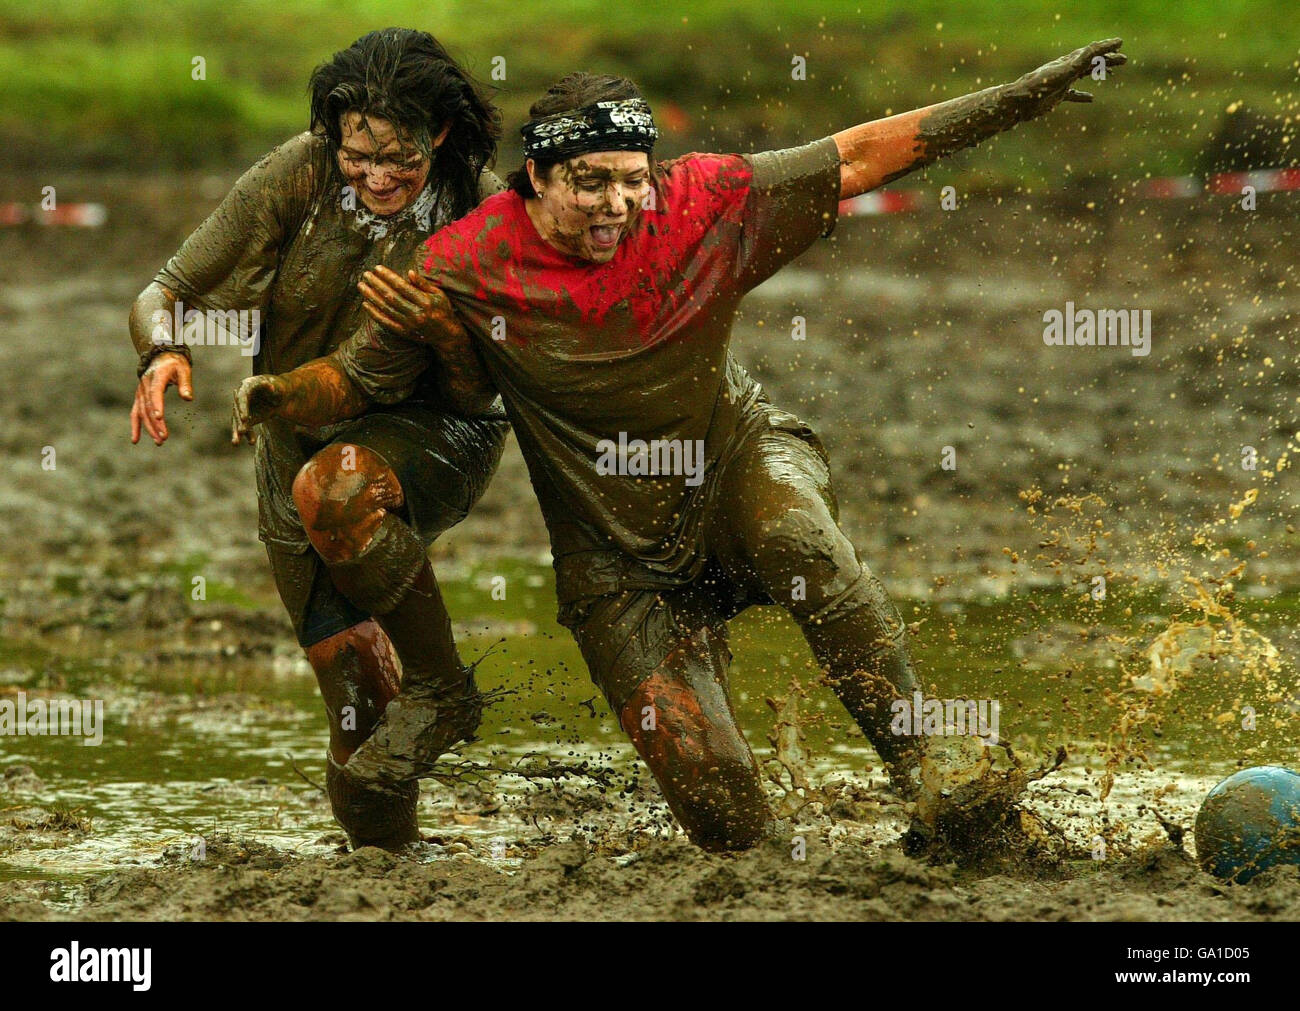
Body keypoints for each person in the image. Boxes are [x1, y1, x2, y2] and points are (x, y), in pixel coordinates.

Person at [232, 41, 1126, 851]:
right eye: (589, 181)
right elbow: (353, 378)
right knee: (726, 821)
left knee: (797, 540)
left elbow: (857, 155)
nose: (616, 203)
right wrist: (276, 394)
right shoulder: (463, 262)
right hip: (612, 554)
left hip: (734, 461)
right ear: (534, 181)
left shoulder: (704, 198)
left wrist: (1018, 98)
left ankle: (940, 775)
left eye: (632, 178)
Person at [130, 28, 510, 851]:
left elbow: (493, 383)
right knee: (353, 698)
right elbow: (163, 289)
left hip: (438, 424)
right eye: (355, 154)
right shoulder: (296, 172)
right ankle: (390, 864)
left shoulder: (482, 205)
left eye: (397, 158)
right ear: (333, 136)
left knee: (339, 486)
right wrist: (161, 351)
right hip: (290, 424)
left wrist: (447, 332)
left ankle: (444, 686)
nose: (375, 177)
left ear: (438, 134)